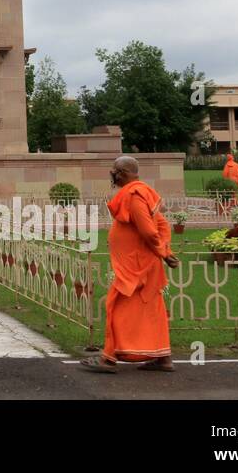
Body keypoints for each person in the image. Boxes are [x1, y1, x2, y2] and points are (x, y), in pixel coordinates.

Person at [81, 155, 179, 373]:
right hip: (142, 264)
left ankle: (108, 358)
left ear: (123, 173)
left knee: (115, 307)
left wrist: (164, 252)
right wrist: (165, 251)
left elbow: (149, 230)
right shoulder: (138, 193)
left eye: (114, 170)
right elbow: (162, 225)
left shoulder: (135, 196)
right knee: (153, 310)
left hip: (137, 268)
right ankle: (163, 358)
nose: (112, 174)